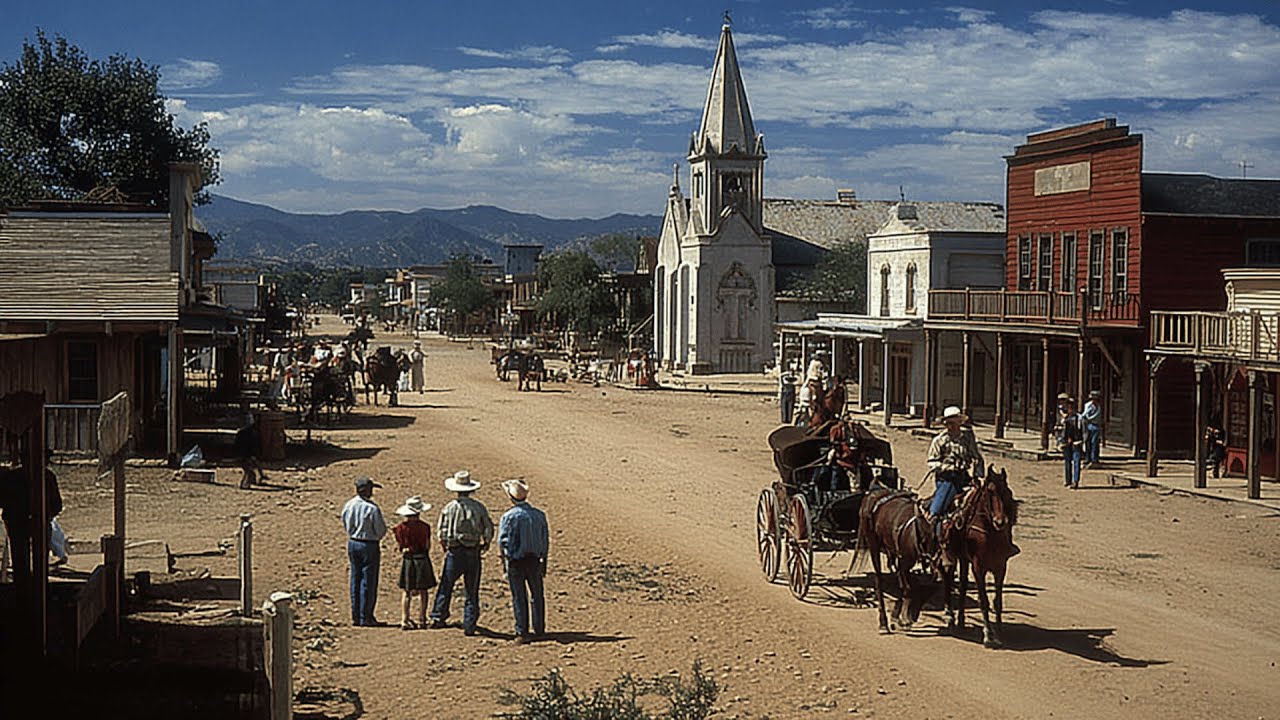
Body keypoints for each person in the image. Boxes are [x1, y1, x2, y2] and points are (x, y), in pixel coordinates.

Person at [429, 471, 494, 635]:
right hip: (472, 551)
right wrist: (486, 543)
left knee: (446, 584)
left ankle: (438, 616)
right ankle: (469, 623)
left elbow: (441, 530)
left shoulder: (449, 508)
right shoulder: (479, 507)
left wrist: (444, 544)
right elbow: (488, 527)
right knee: (471, 588)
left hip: (455, 550)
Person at [498, 479, 549, 643]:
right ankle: (539, 628)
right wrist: (544, 562)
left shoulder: (509, 516)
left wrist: (504, 564)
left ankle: (522, 630)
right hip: (535, 560)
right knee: (537, 595)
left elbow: (502, 542)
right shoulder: (539, 515)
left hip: (516, 561)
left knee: (519, 596)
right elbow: (545, 540)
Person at [927, 406, 985, 539]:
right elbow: (931, 462)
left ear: (960, 422)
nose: (950, 426)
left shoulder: (968, 438)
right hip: (947, 480)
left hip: (965, 477)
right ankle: (935, 539)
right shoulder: (939, 440)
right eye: (948, 423)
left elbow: (977, 457)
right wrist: (948, 467)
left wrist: (978, 475)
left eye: (953, 422)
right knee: (937, 510)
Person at [340, 476, 388, 626]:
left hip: (353, 542)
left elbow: (344, 522)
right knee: (368, 581)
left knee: (355, 578)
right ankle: (366, 616)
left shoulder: (349, 505)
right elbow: (380, 530)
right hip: (369, 545)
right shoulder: (372, 508)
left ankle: (356, 616)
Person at [392, 496, 436, 630]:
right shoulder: (425, 527)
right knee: (424, 590)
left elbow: (400, 545)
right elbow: (428, 545)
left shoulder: (400, 528)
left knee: (407, 591)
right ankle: (422, 618)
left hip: (408, 558)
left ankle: (404, 619)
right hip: (422, 558)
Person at [1056, 393, 1084, 489]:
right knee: (1067, 462)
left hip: (1076, 442)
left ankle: (1075, 481)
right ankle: (1068, 480)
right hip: (1067, 442)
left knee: (1076, 461)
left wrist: (1081, 441)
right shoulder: (1065, 419)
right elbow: (1061, 431)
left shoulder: (1079, 418)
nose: (1070, 409)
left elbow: (1083, 431)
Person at [234, 413, 263, 489]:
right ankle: (245, 484)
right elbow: (254, 445)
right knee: (249, 470)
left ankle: (253, 480)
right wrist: (254, 455)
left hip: (243, 454)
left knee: (250, 468)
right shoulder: (252, 433)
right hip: (247, 455)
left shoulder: (241, 433)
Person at [1081, 390, 1103, 467]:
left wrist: (1089, 418)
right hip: (1088, 425)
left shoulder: (1099, 407)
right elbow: (1084, 414)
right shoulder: (1088, 405)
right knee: (1088, 442)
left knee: (1095, 443)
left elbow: (1096, 416)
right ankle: (1087, 458)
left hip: (1095, 425)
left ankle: (1094, 459)